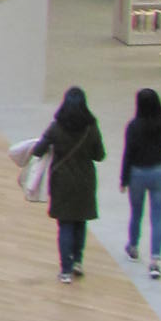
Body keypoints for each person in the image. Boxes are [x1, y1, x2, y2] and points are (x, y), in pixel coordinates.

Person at [28, 85, 105, 280]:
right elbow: (99, 155)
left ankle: (65, 270)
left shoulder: (56, 127)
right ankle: (78, 260)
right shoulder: (91, 127)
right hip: (85, 181)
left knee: (65, 225)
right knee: (80, 221)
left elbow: (38, 151)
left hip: (61, 181)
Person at [122, 85, 161, 278]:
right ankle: (155, 261)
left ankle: (133, 247)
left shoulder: (133, 126)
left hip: (137, 173)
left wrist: (123, 178)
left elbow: (128, 154)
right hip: (159, 171)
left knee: (136, 212)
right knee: (157, 217)